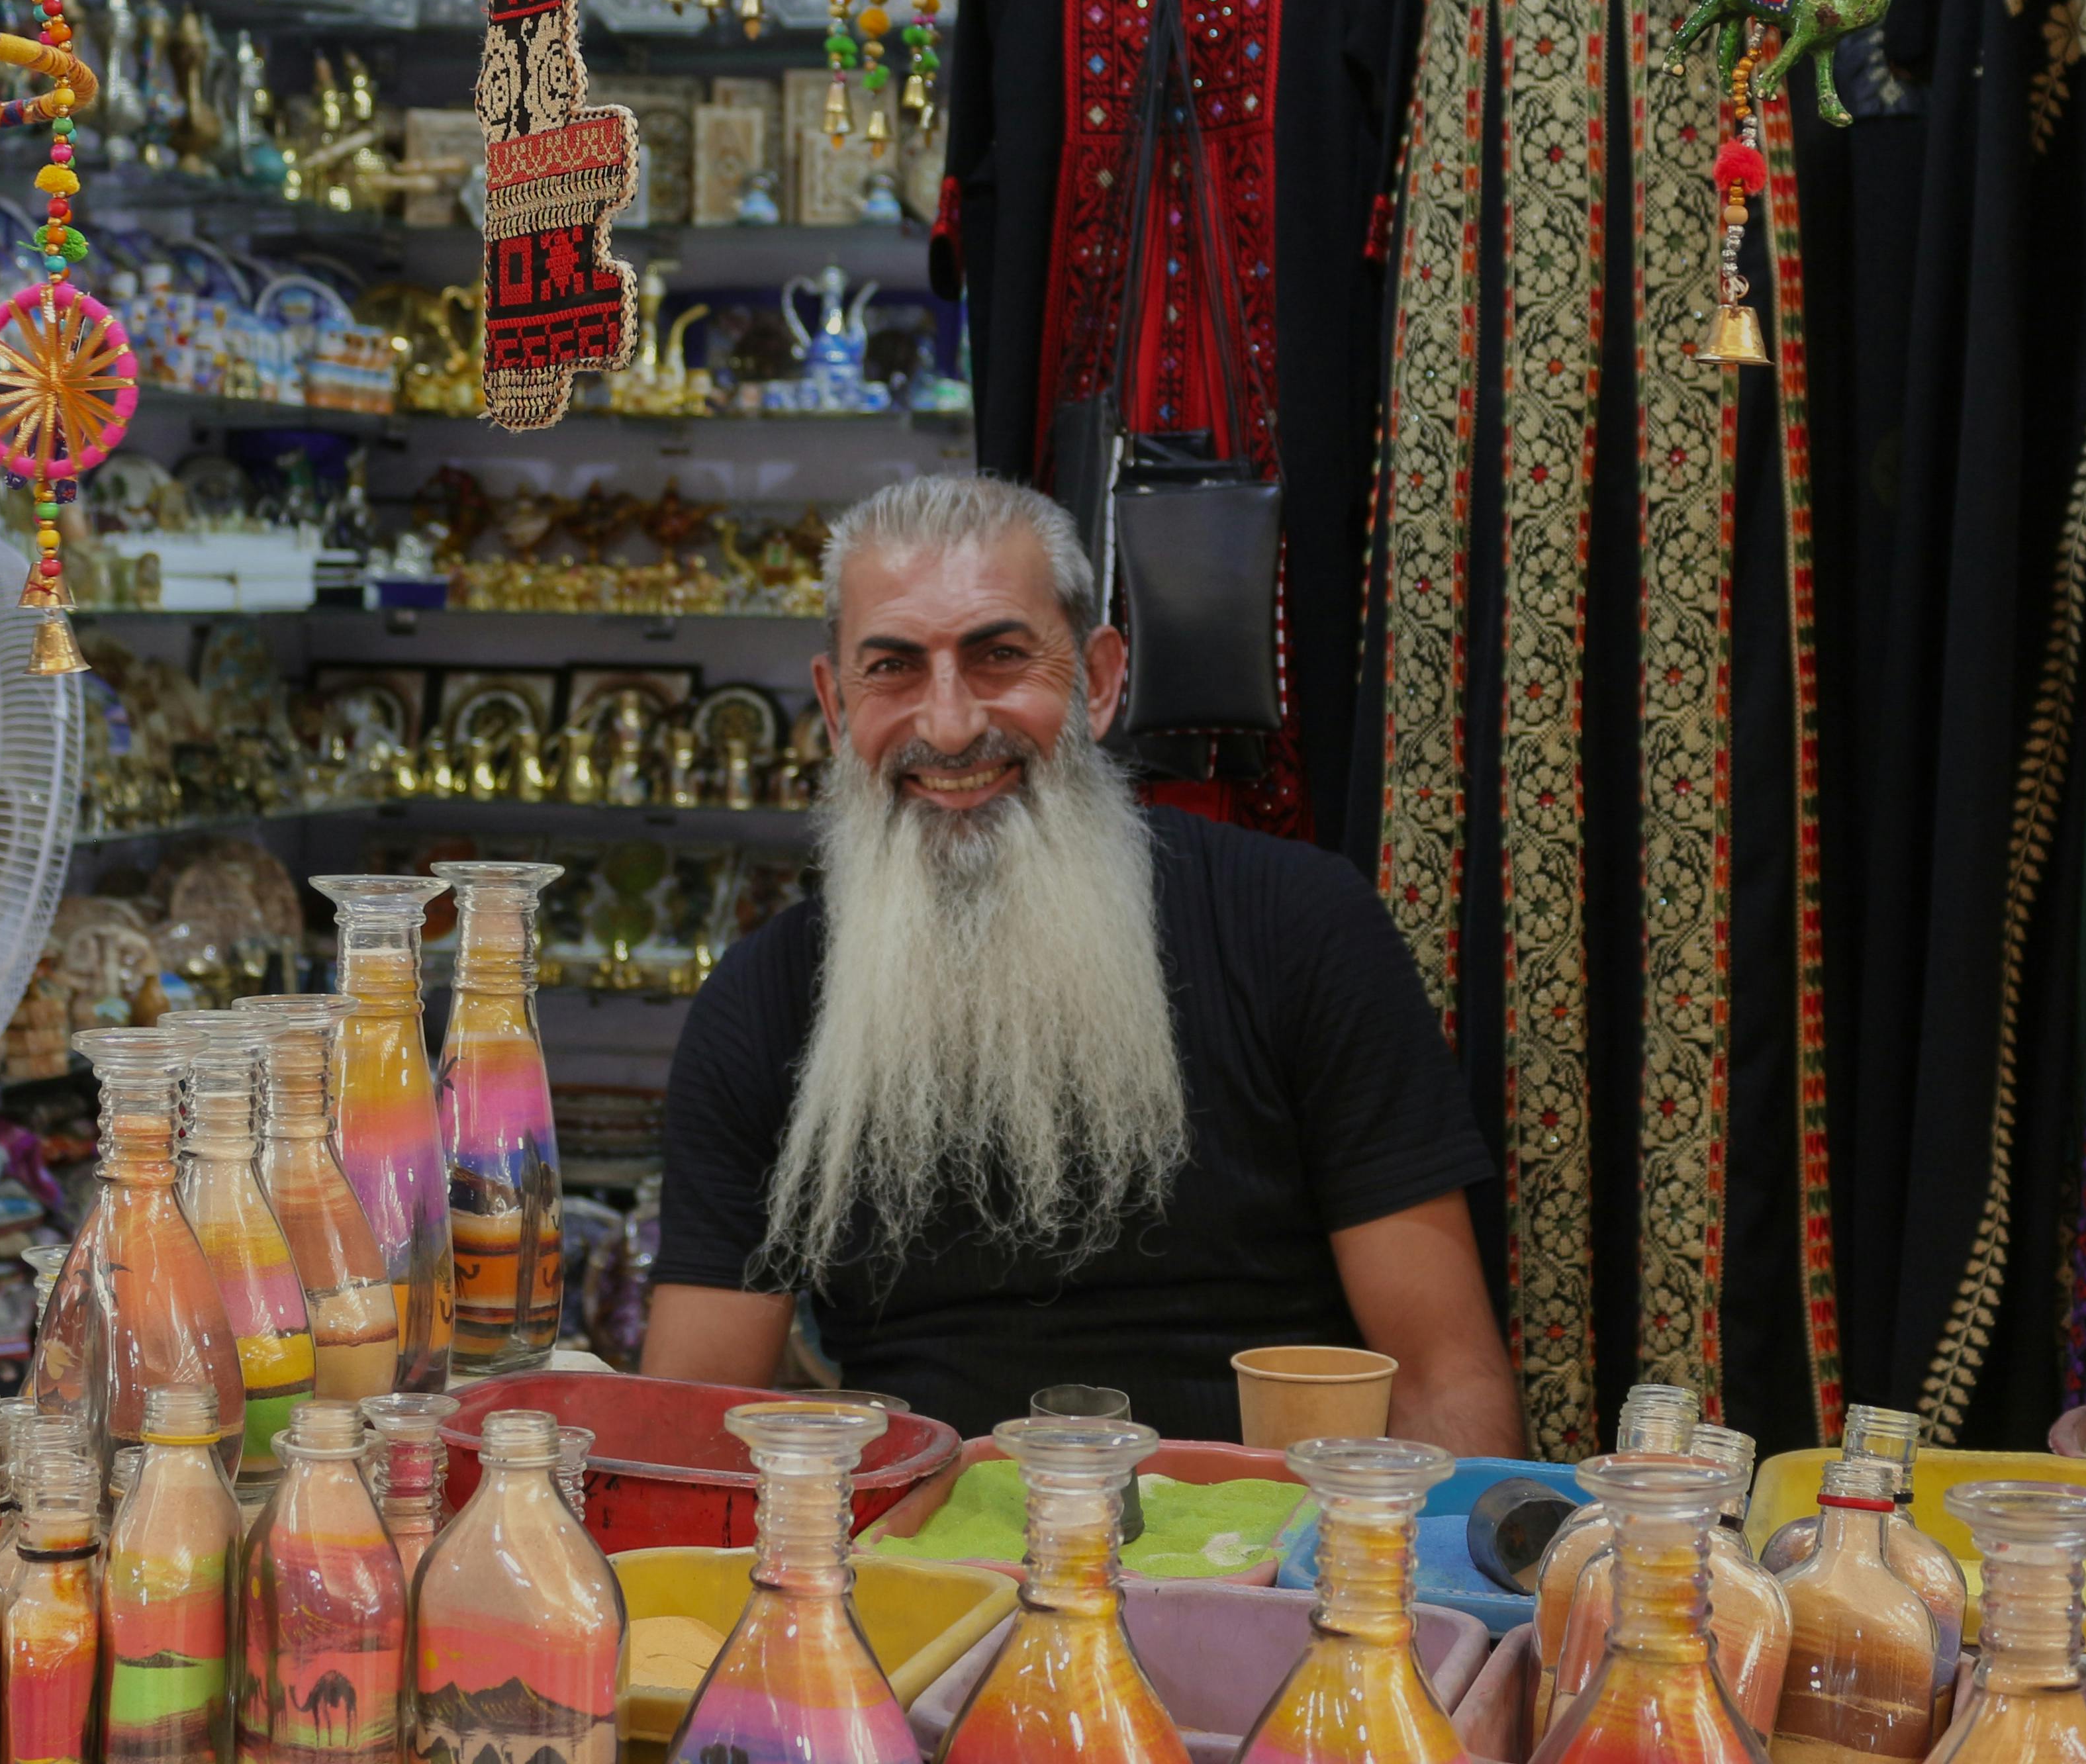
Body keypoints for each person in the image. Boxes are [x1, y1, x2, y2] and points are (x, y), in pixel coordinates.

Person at [642, 475, 1525, 1450]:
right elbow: (688, 1430)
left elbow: (1445, 1383)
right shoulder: (762, 999)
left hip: (1273, 1557)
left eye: (1000, 657)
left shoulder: (1298, 924)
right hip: (920, 1571)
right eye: (893, 668)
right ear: (833, 703)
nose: (947, 726)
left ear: (1099, 682)